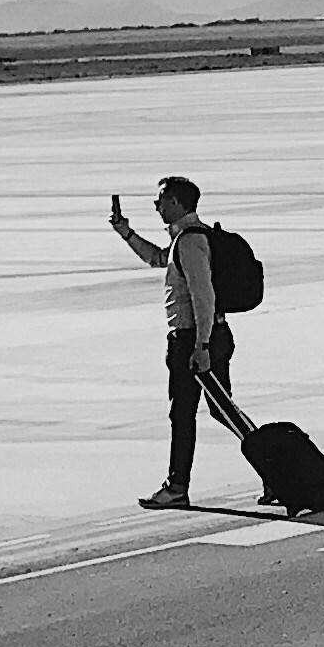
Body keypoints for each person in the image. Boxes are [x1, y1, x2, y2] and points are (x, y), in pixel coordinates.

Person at [108, 176, 230, 509]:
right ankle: (273, 473)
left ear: (176, 203)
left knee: (190, 413)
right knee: (217, 411)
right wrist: (126, 234)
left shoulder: (190, 242)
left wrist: (201, 347)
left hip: (194, 338)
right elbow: (158, 258)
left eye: (160, 200)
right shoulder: (186, 240)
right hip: (200, 337)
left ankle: (177, 486)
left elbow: (204, 298)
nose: (156, 206)